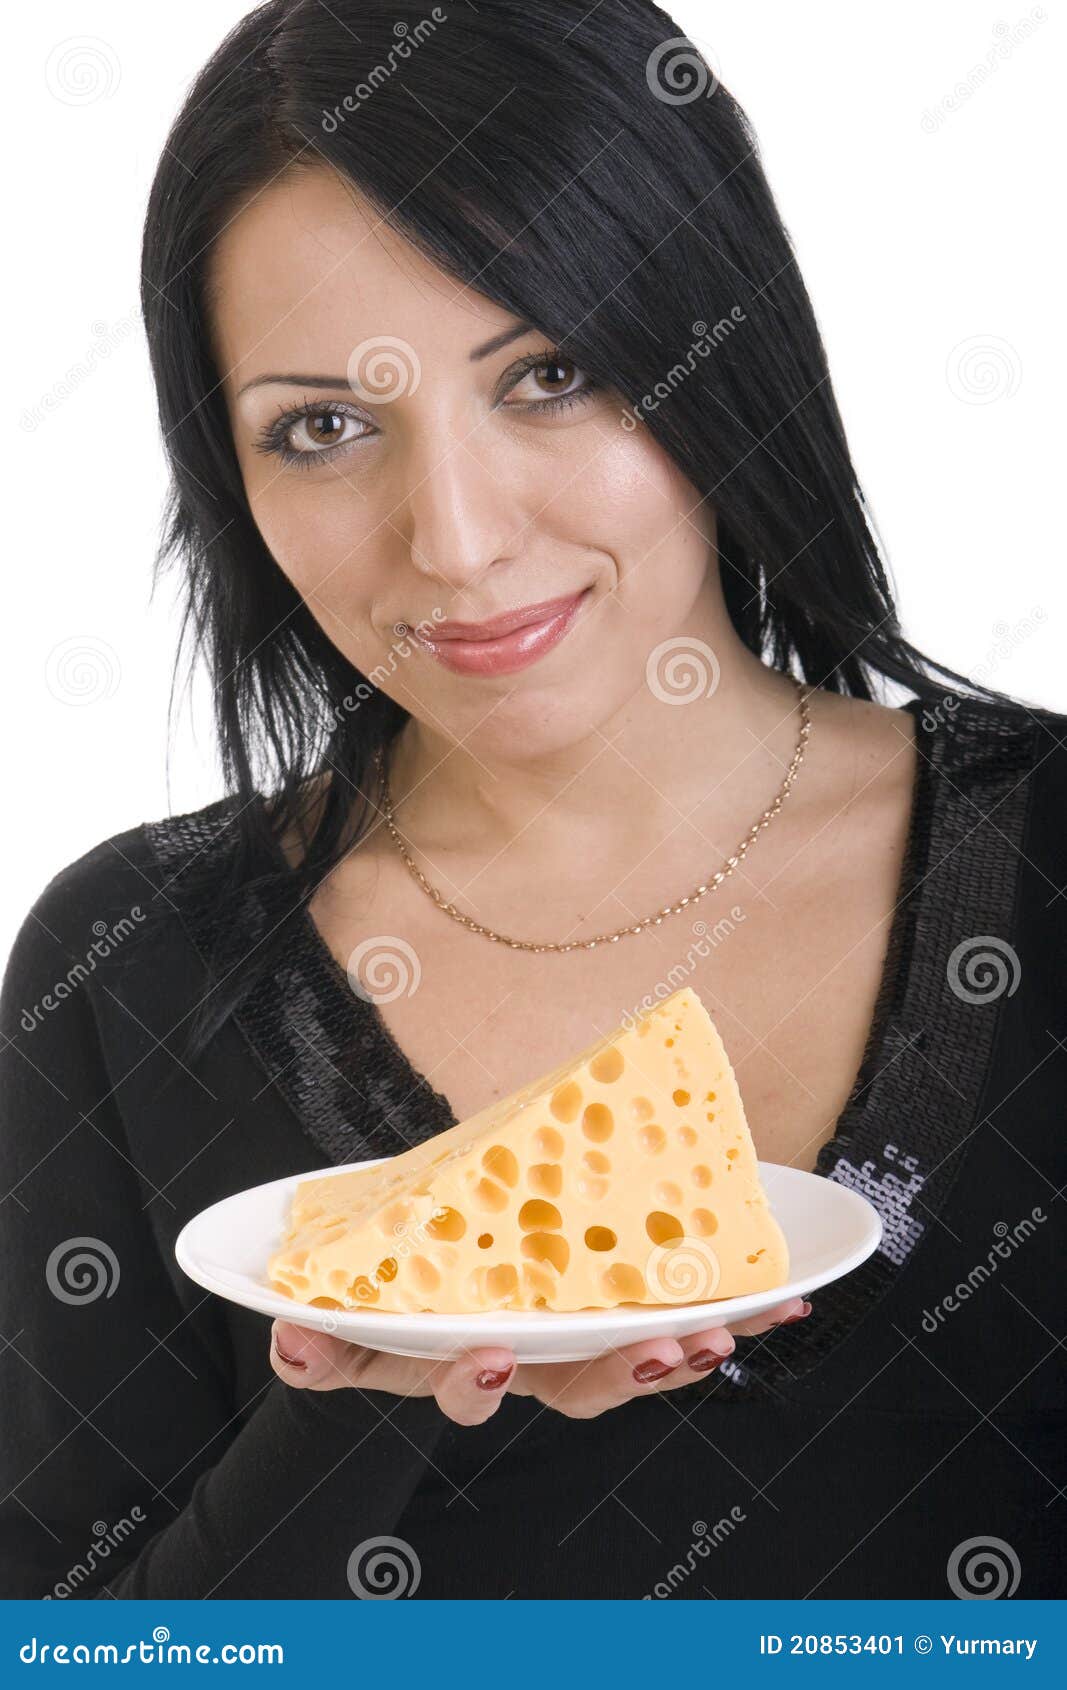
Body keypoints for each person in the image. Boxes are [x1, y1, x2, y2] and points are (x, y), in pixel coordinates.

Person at [2, 0, 1063, 1600]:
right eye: (326, 426)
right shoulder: (129, 968)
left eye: (552, 372)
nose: (456, 537)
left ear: (721, 347)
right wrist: (356, 1397)